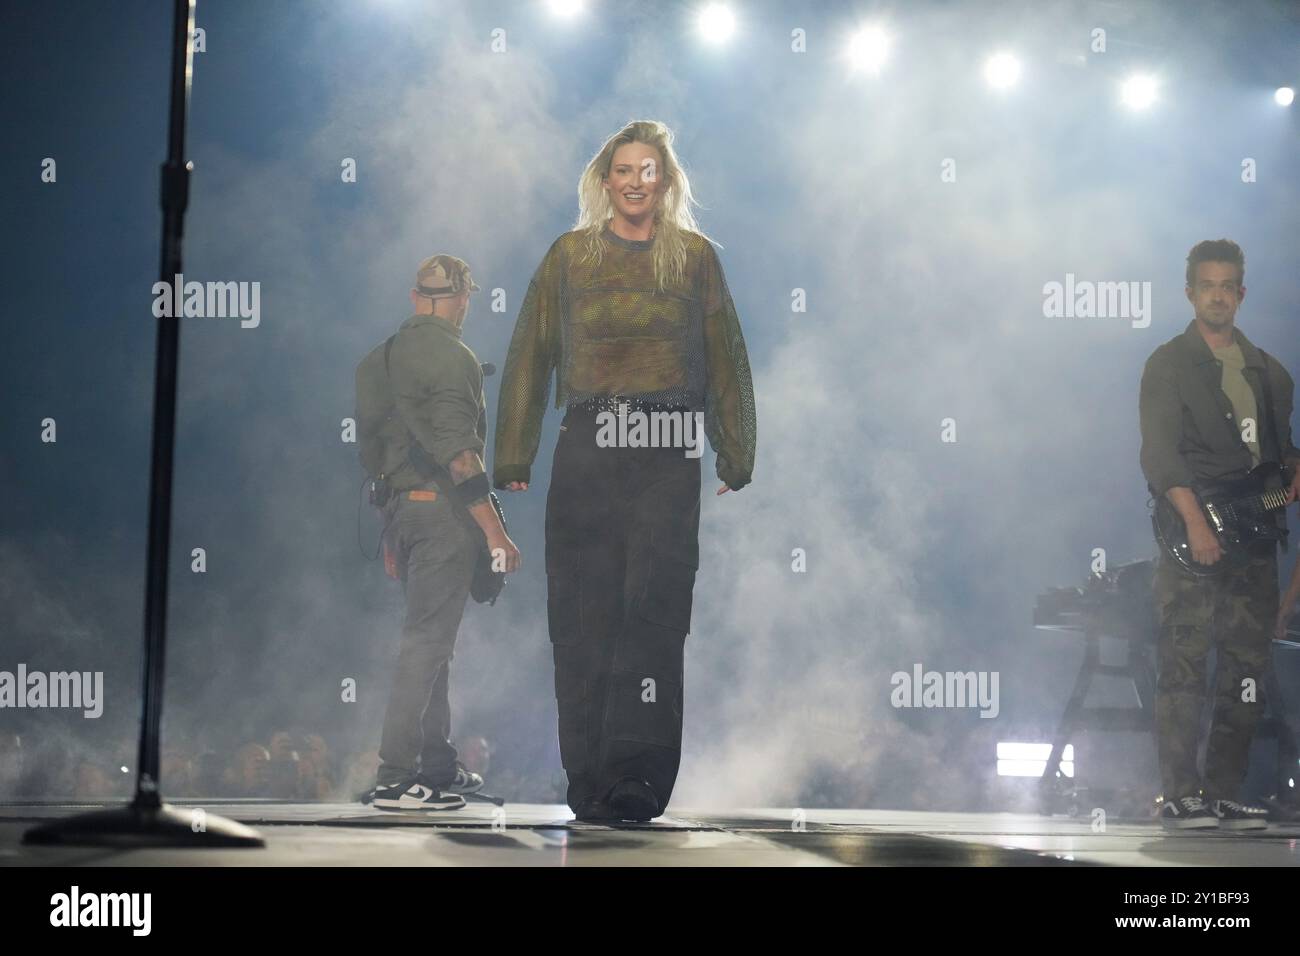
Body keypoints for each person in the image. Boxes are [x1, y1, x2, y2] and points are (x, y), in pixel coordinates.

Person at [493, 120, 757, 822]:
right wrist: (514, 450)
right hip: (589, 439)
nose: (636, 181)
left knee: (654, 615)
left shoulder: (695, 258)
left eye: (649, 171)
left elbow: (725, 355)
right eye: (624, 170)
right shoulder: (570, 256)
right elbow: (530, 350)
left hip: (668, 445)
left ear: (665, 182)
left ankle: (636, 779)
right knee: (582, 615)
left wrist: (736, 451)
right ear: (604, 181)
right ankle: (586, 779)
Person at [1139, 238, 1300, 830]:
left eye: (1226, 285)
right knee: (1183, 664)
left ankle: (1223, 788)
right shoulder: (1167, 364)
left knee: (1247, 669)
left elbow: (1276, 456)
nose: (1217, 295)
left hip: (1255, 539)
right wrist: (1196, 521)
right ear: (1190, 292)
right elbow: (1159, 455)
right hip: (1192, 538)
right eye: (1206, 285)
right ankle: (1180, 794)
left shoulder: (1270, 372)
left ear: (1240, 293)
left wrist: (1293, 470)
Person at [355, 255, 521, 811]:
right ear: (460, 299)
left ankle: (437, 766)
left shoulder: (377, 361)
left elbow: (375, 457)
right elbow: (459, 455)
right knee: (425, 647)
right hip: (443, 518)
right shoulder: (455, 356)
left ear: (414, 297)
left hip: (402, 516)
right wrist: (496, 535)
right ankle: (396, 778)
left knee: (432, 646)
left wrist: (391, 534)